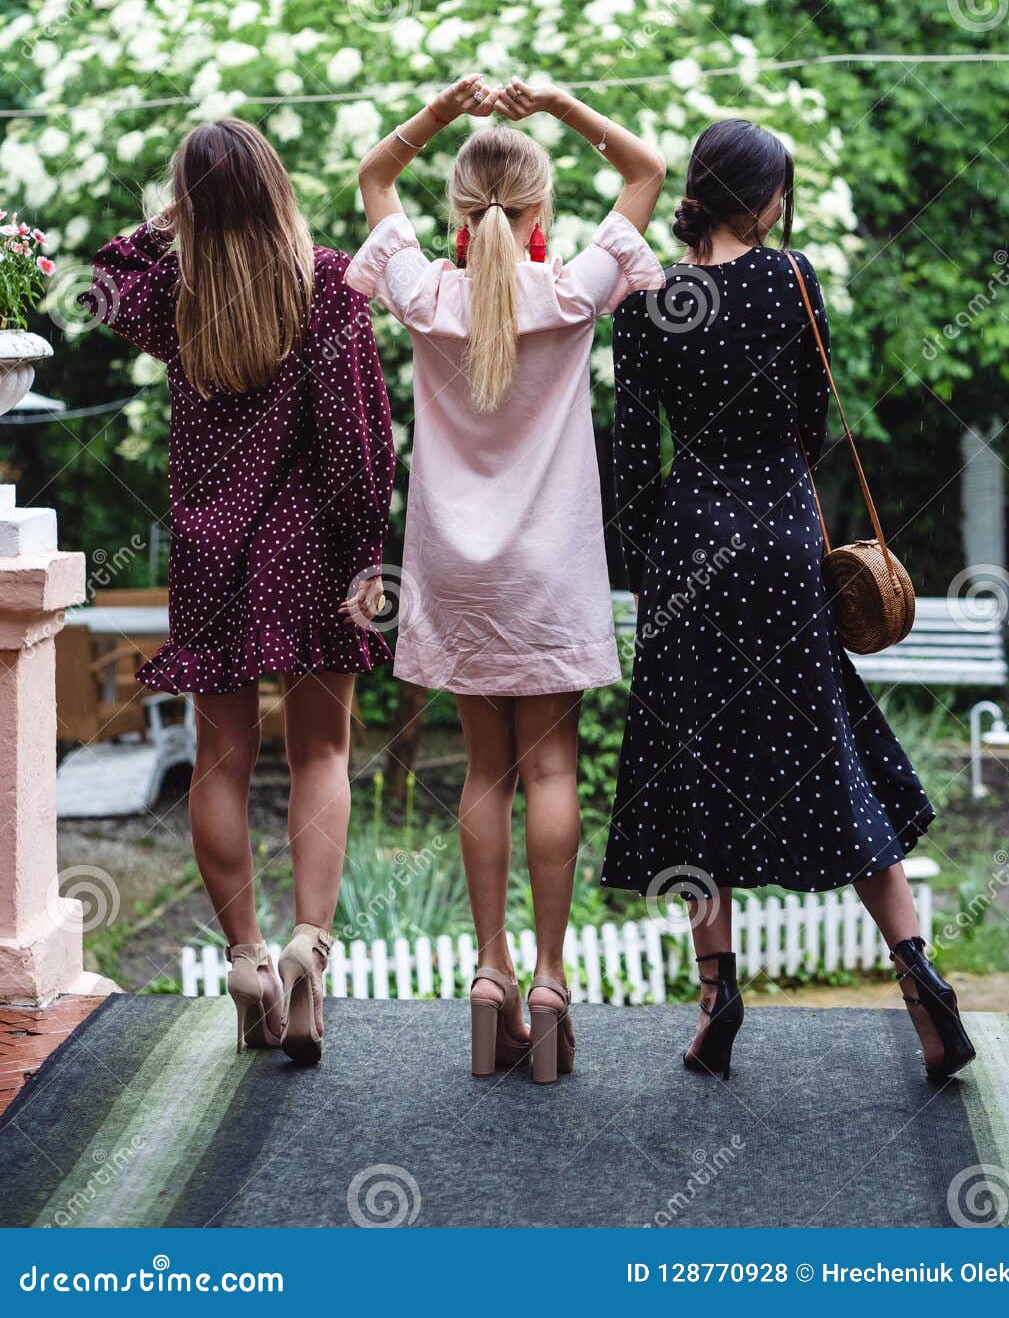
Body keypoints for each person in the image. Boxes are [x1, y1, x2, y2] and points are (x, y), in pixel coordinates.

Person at [601, 117, 975, 1085]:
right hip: (779, 539)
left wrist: (649, 568)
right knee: (829, 748)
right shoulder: (791, 279)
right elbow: (809, 424)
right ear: (765, 199)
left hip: (689, 547)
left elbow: (632, 457)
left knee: (696, 767)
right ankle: (916, 972)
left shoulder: (644, 299)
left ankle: (716, 995)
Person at [346, 72, 665, 1082]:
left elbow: (372, 176)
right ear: (540, 211)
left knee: (482, 772)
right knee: (552, 772)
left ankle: (489, 973)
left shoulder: (424, 293)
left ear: (456, 211)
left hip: (455, 571)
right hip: (550, 569)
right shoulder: (571, 290)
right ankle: (550, 978)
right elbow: (648, 170)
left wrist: (442, 110)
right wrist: (560, 105)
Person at [81, 117, 395, 1065]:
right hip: (310, 554)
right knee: (321, 751)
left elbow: (102, 279)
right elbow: (359, 446)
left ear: (190, 205)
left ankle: (248, 962)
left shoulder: (180, 294)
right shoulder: (330, 283)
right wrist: (365, 559)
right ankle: (309, 947)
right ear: (276, 186)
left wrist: (174, 220)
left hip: (212, 556)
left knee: (220, 759)